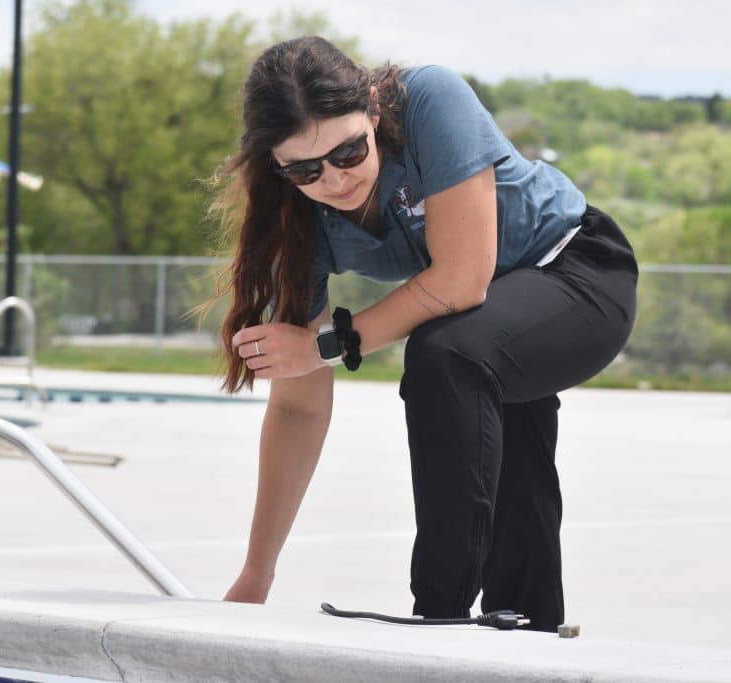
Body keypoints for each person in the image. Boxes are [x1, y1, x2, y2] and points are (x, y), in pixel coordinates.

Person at [208, 36, 638, 632]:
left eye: (349, 152)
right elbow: (299, 407)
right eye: (305, 169)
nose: (333, 180)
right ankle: (531, 629)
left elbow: (462, 278)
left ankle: (439, 612)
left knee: (446, 354)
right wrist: (257, 573)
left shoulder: (429, 100)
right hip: (497, 316)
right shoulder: (294, 222)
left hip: (579, 272)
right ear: (277, 168)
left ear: (374, 114)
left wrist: (328, 345)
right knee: (509, 454)